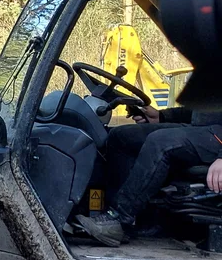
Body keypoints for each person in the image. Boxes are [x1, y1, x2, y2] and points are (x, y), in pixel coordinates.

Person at [76, 105, 222, 246]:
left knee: (160, 141)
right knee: (121, 136)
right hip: (207, 130)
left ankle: (118, 218)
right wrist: (162, 116)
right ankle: (121, 222)